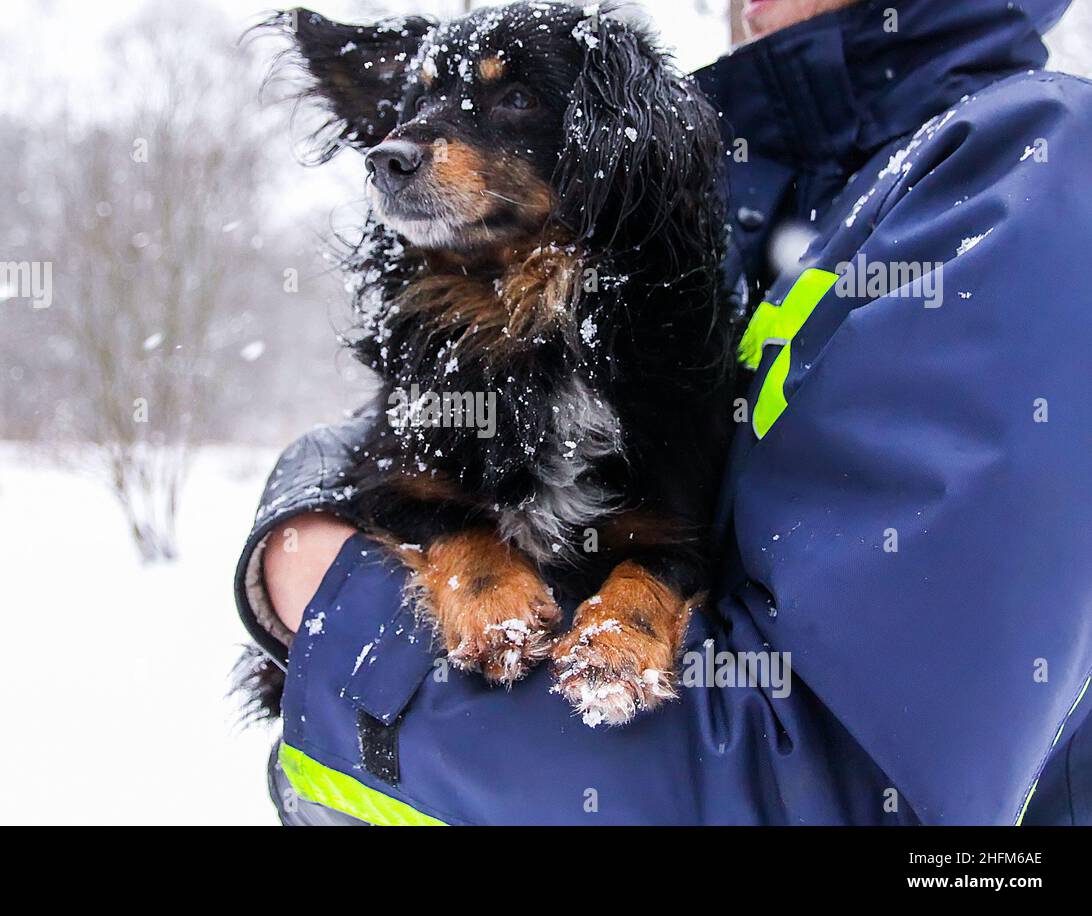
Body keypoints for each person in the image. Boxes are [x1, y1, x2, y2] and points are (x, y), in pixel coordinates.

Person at [235, 0, 1092, 825]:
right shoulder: (755, 195)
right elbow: (442, 441)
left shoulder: (1030, 169)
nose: (407, 143)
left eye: (514, 98)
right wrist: (323, 496)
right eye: (423, 105)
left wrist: (337, 596)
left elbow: (865, 796)